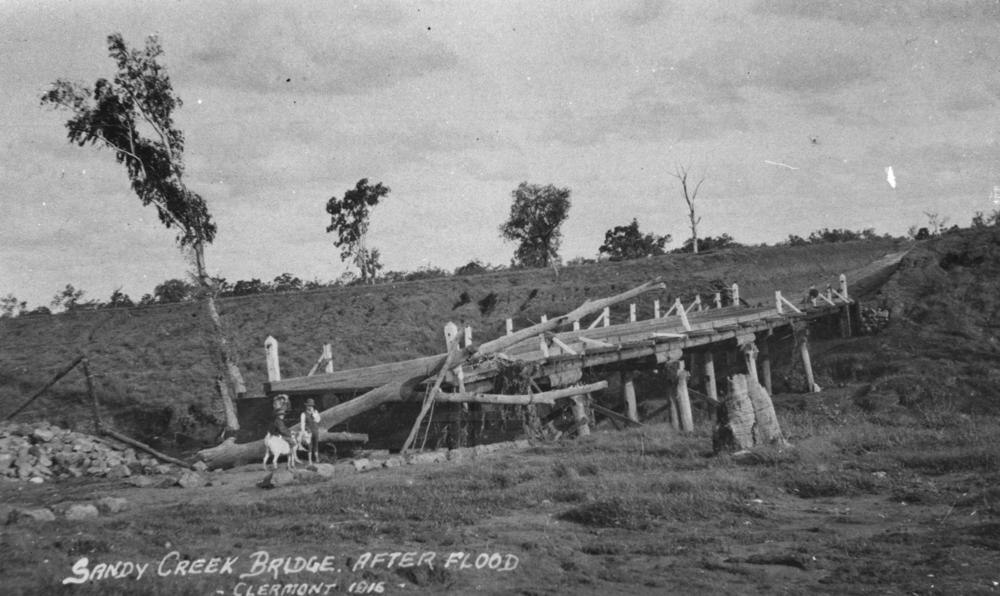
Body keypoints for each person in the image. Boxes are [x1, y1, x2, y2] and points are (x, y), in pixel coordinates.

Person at [300, 398, 322, 463]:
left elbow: (318, 420)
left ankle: (317, 459)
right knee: (310, 446)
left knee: (316, 445)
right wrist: (303, 432)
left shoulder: (315, 412)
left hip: (315, 430)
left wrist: (313, 414)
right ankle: (310, 460)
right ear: (306, 406)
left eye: (311, 406)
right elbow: (302, 424)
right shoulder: (303, 414)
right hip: (308, 432)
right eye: (309, 405)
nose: (310, 407)